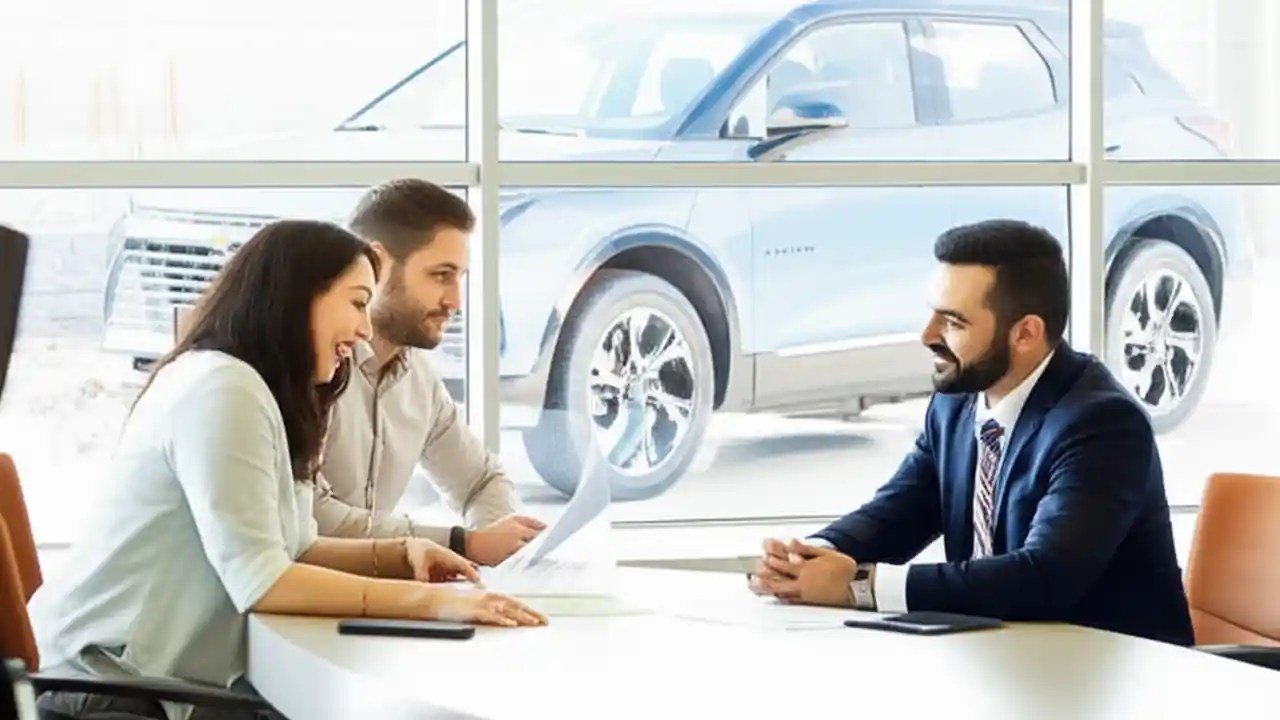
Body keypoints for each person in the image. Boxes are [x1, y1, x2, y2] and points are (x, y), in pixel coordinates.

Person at [29, 220, 545, 720]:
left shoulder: (250, 388)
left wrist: (400, 555)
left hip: (155, 683)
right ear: (297, 299)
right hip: (106, 688)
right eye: (357, 303)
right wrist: (431, 604)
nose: (366, 329)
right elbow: (263, 581)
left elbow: (291, 547)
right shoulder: (221, 389)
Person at [749, 219, 1194, 646]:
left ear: (1025, 333)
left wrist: (859, 585)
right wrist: (807, 558)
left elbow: (1044, 577)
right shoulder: (958, 400)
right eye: (932, 315)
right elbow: (900, 512)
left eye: (953, 322)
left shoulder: (1101, 424)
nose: (927, 335)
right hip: (1003, 655)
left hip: (1117, 671)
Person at [314, 179, 543, 566]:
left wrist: (491, 554)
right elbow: (312, 518)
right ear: (378, 265)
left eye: (460, 278)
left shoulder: (418, 378)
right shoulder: (314, 367)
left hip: (377, 589)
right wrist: (461, 544)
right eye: (441, 275)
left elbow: (481, 482)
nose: (455, 301)